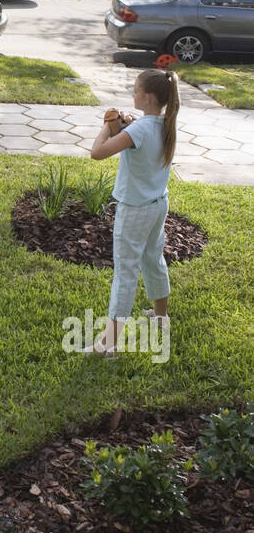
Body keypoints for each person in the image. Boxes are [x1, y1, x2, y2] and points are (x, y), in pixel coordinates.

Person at [87, 67, 180, 355]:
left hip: (135, 209)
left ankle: (108, 344)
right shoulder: (164, 122)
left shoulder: (140, 129)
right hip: (157, 204)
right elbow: (140, 138)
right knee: (153, 258)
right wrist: (128, 124)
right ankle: (161, 316)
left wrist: (109, 123)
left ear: (148, 98)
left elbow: (97, 152)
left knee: (125, 272)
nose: (133, 94)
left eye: (136, 90)